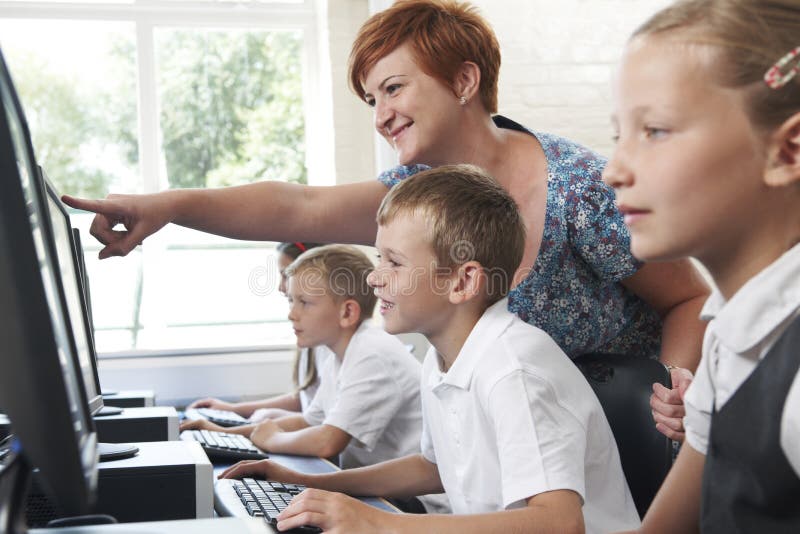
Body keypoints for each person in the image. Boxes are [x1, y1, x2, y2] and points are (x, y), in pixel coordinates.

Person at [63, 0, 709, 437]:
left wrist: (675, 392)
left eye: (394, 88)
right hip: (521, 436)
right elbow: (297, 206)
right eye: (373, 99)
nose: (380, 115)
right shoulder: (420, 195)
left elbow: (685, 298)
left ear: (463, 82)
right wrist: (166, 208)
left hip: (625, 433)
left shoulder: (577, 190)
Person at [220, 165, 641, 533]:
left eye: (394, 263)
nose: (374, 279)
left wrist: (382, 524)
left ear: (461, 282)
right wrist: (309, 482)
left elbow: (559, 523)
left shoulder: (514, 369)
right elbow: (435, 468)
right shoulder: (442, 358)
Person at [600, 0, 800, 531]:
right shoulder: (729, 336)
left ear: (788, 152)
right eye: (618, 134)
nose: (612, 170)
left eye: (656, 131)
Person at [185, 245, 426, 474]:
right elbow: (310, 422)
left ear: (347, 312)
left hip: (413, 502)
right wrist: (226, 434)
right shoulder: (337, 356)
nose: (292, 314)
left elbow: (327, 441)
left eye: (305, 303)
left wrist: (273, 440)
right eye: (291, 300)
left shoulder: (371, 353)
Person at [186, 242, 331, 423]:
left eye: (285, 275)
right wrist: (234, 409)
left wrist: (269, 420)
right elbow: (305, 398)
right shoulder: (310, 336)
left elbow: (320, 418)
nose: (280, 287)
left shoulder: (328, 341)